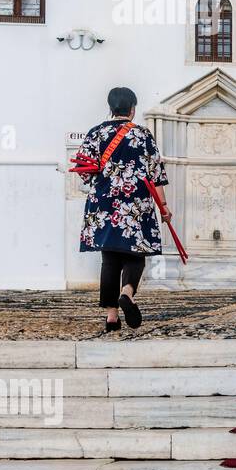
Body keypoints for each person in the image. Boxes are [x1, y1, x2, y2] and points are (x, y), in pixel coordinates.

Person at [76, 87, 170, 332]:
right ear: (132, 109)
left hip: (104, 204)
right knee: (135, 255)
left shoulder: (95, 134)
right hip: (136, 203)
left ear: (110, 108)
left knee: (109, 258)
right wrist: (164, 208)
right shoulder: (143, 135)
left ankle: (111, 317)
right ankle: (127, 293)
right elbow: (156, 174)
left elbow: (85, 175)